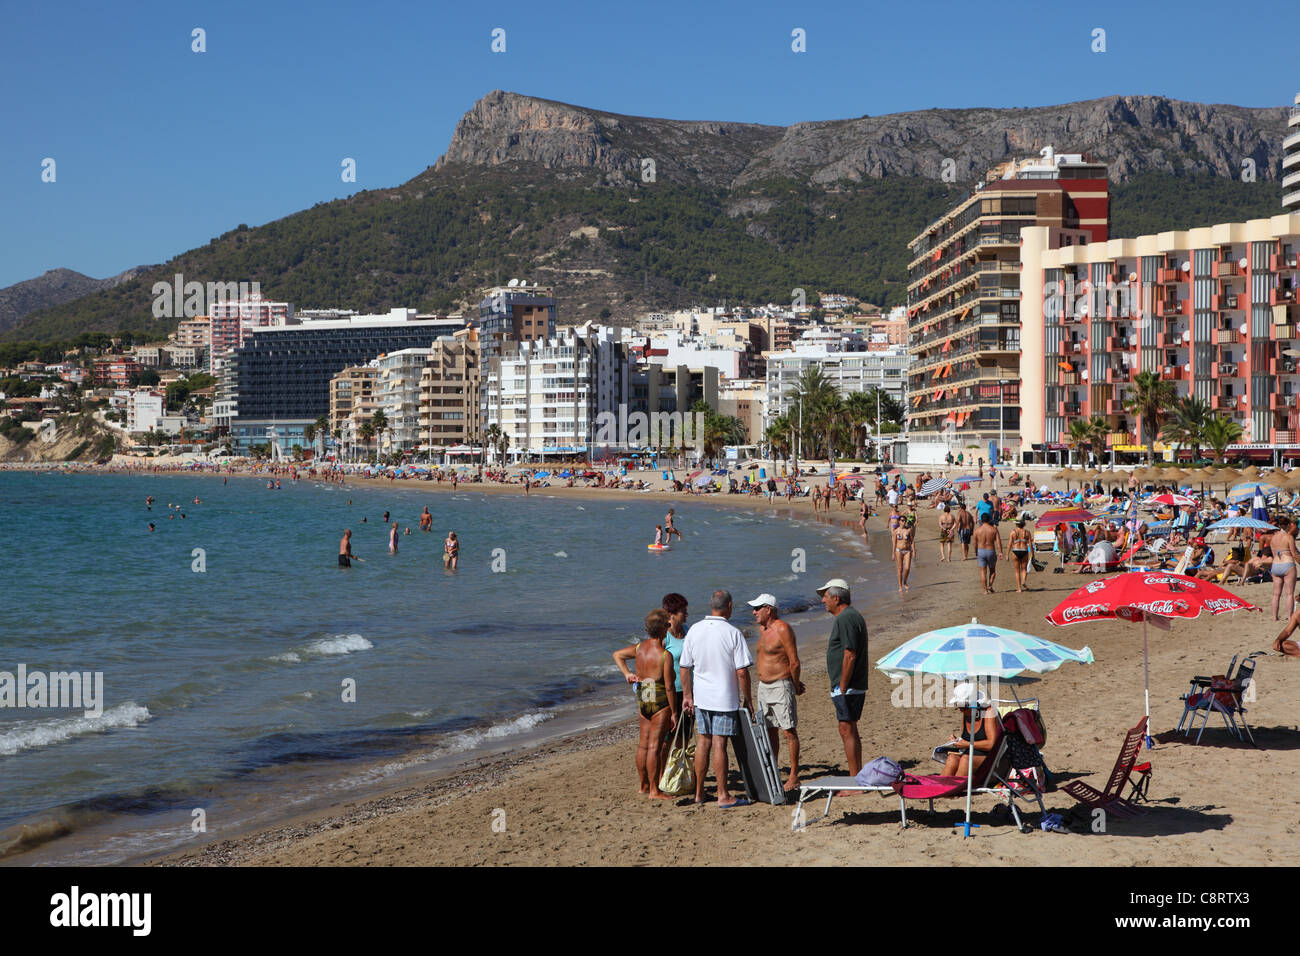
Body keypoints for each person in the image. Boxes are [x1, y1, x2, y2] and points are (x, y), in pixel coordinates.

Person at [680, 590, 754, 807]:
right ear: (729, 605)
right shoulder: (733, 633)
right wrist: (748, 699)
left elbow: (685, 667)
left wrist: (687, 695)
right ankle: (723, 795)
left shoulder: (694, 629)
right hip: (723, 698)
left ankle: (699, 793)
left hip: (701, 698)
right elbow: (742, 671)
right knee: (719, 744)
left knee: (703, 742)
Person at [612, 609, 679, 798]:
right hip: (659, 698)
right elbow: (669, 687)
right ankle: (654, 790)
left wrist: (627, 674)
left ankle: (643, 785)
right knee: (654, 747)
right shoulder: (665, 655)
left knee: (643, 745)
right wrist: (674, 712)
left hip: (644, 695)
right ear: (665, 628)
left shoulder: (639, 648)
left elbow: (617, 655)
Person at [748, 593, 803, 792]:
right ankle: (774, 770)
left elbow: (794, 661)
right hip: (763, 687)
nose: (754, 612)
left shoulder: (783, 629)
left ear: (768, 609)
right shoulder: (762, 629)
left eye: (757, 608)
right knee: (769, 730)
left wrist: (795, 685)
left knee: (788, 730)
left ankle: (794, 775)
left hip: (781, 685)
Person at [817, 578, 867, 777]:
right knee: (848, 728)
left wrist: (843, 685)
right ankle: (858, 775)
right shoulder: (849, 616)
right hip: (850, 685)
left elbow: (850, 653)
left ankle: (856, 778)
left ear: (836, 598)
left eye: (826, 597)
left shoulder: (846, 617)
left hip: (849, 685)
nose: (823, 601)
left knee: (846, 729)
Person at [940, 683, 1001, 777]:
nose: (961, 710)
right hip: (970, 754)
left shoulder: (988, 712)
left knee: (966, 759)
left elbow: (991, 744)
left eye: (963, 707)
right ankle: (941, 789)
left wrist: (967, 744)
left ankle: (955, 789)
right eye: (958, 705)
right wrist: (957, 741)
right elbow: (967, 739)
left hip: (991, 758)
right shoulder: (966, 713)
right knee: (952, 758)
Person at [1269, 516, 1297, 621]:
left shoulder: (1273, 537)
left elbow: (1273, 553)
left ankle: (1274, 617)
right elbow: (1294, 554)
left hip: (1276, 564)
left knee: (1276, 594)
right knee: (1289, 593)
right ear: (1288, 525)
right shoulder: (1289, 537)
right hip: (1287, 563)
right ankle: (1290, 617)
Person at [973, 513, 1003, 594]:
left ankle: (985, 590)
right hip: (991, 551)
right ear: (989, 519)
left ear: (981, 520)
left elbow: (975, 543)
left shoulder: (977, 531)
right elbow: (998, 542)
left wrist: (976, 552)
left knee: (983, 571)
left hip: (981, 551)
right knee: (992, 570)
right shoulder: (993, 529)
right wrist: (1000, 552)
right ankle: (990, 585)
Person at [1006, 518, 1034, 593]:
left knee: (1017, 571)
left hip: (1015, 550)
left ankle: (1019, 588)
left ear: (1016, 524)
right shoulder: (1027, 532)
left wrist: (1007, 554)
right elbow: (1030, 544)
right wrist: (1032, 553)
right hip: (1024, 550)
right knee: (1024, 569)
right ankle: (1023, 581)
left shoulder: (1013, 532)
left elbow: (1009, 544)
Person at [894, 513, 916, 593]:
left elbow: (912, 541)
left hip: (907, 550)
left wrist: (914, 550)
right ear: (899, 521)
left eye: (905, 521)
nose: (904, 522)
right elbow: (894, 543)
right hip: (898, 550)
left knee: (907, 568)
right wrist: (893, 553)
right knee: (900, 569)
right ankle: (900, 586)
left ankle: (905, 581)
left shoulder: (908, 530)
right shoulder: (896, 531)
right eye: (902, 521)